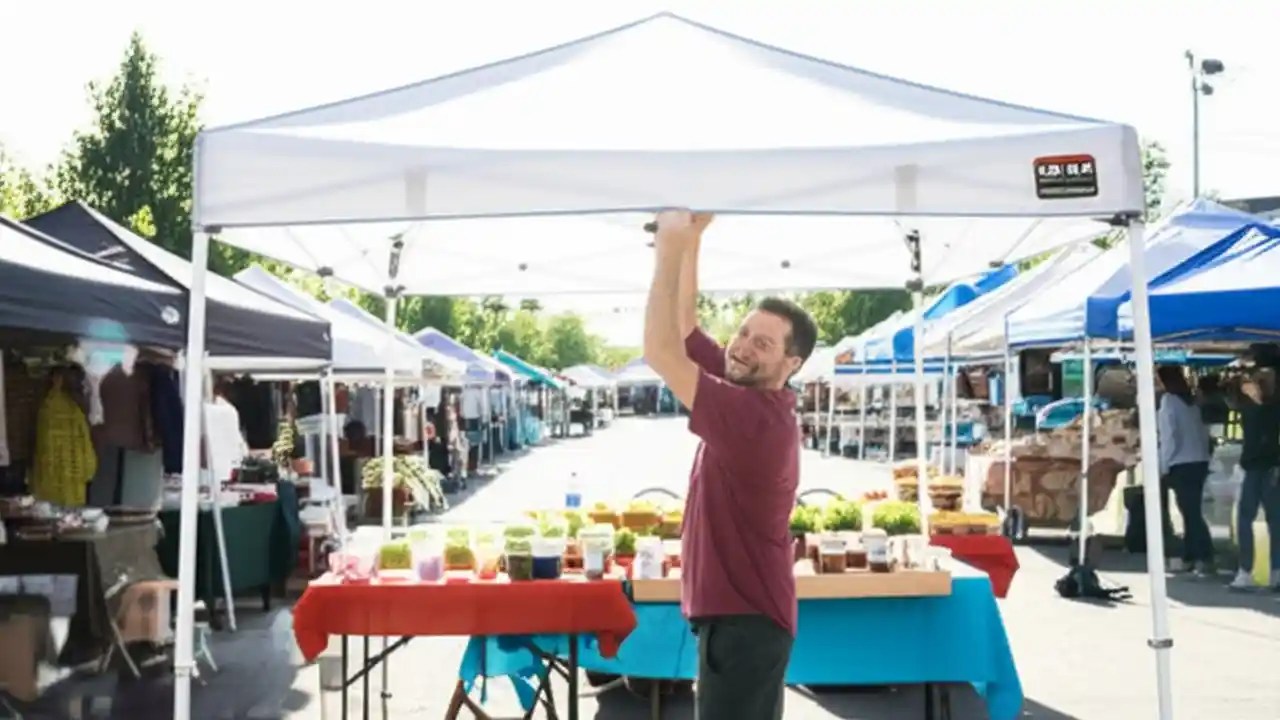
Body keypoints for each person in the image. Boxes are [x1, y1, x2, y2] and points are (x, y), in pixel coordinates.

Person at [642, 210, 818, 720]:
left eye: (762, 344)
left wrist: (668, 248)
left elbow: (659, 350)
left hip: (745, 625)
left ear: (792, 364)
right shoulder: (748, 390)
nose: (741, 348)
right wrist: (694, 243)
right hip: (743, 621)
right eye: (743, 333)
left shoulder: (751, 417)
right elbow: (684, 329)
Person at [1225, 368, 1280, 591]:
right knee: (1275, 521)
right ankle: (1276, 571)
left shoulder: (1250, 409)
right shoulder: (1273, 408)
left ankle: (1245, 570)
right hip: (1271, 467)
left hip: (1254, 467)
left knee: (1245, 518)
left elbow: (1232, 400)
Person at [1156, 365, 1213, 574]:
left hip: (1181, 462)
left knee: (1189, 512)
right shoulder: (1191, 402)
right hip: (1198, 459)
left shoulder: (1169, 402)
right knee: (1193, 510)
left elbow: (1170, 436)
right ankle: (1194, 554)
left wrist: (1163, 465)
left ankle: (1200, 555)